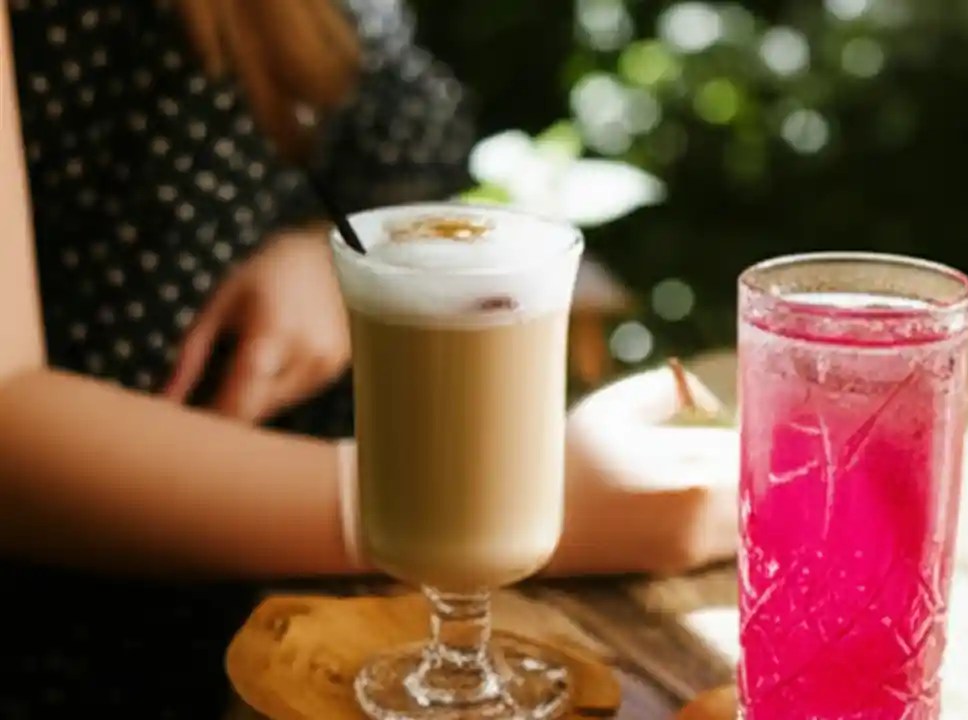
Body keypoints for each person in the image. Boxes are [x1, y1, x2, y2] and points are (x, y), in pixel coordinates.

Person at [0, 1, 734, 716]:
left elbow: (392, 159)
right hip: (128, 642)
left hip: (349, 591)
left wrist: (326, 260)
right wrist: (488, 499)